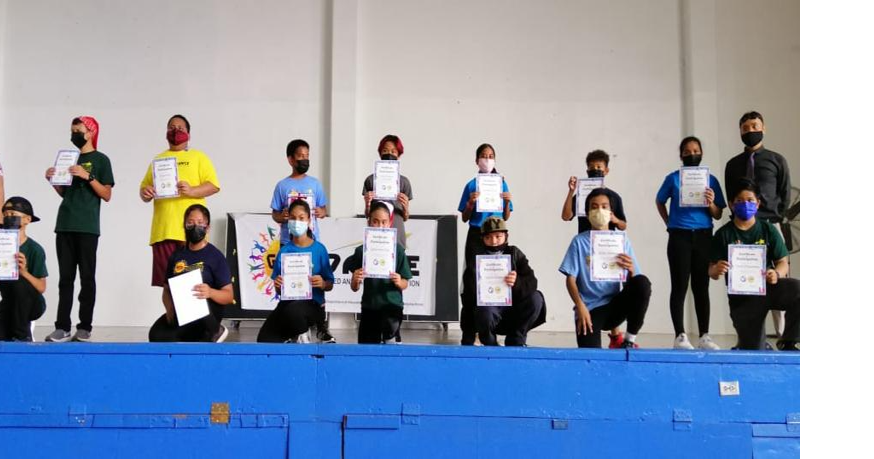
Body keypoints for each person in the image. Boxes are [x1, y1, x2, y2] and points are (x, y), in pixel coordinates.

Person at [44, 116, 114, 342]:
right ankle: (62, 326)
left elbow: (106, 194)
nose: (74, 134)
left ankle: (84, 326)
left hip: (87, 227)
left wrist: (88, 176)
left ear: (91, 132)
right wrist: (54, 181)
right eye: (72, 130)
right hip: (65, 224)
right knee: (65, 279)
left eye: (78, 130)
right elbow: (66, 193)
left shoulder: (101, 160)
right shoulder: (69, 158)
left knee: (87, 277)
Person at [709, 180, 800, 351]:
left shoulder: (768, 230)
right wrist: (717, 269)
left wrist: (776, 274)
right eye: (740, 201)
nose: (745, 204)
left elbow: (782, 262)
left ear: (758, 204)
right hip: (742, 298)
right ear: (731, 204)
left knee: (797, 289)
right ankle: (755, 344)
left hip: (769, 288)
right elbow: (711, 270)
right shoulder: (723, 234)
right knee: (753, 349)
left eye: (750, 200)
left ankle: (788, 341)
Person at [655, 136, 726, 350]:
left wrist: (711, 202)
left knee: (701, 286)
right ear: (681, 155)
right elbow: (659, 200)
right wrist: (669, 222)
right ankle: (680, 335)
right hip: (679, 236)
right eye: (687, 151)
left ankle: (704, 336)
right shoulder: (673, 178)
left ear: (701, 153)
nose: (692, 154)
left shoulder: (710, 180)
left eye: (696, 150)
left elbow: (718, 213)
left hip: (704, 236)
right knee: (679, 286)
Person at [559, 189, 651, 349]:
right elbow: (570, 279)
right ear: (587, 213)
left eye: (604, 206)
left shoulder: (621, 241)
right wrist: (580, 306)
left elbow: (632, 285)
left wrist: (630, 271)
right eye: (594, 207)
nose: (599, 210)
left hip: (615, 305)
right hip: (590, 309)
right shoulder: (579, 242)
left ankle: (629, 340)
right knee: (590, 356)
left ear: (611, 212)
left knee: (642, 283)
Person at [139, 114, 220, 289]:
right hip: (163, 230)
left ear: (188, 134)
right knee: (167, 285)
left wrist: (192, 190)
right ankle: (171, 309)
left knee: (193, 283)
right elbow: (144, 190)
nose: (175, 131)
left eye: (180, 128)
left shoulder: (199, 157)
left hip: (191, 230)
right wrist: (146, 192)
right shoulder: (158, 160)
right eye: (171, 128)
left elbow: (213, 186)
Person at [148, 205, 233, 342]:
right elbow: (167, 290)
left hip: (206, 312)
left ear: (207, 227)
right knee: (156, 335)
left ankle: (215, 330)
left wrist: (210, 292)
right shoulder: (176, 256)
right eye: (190, 223)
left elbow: (228, 296)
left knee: (194, 297)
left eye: (200, 223)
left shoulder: (215, 256)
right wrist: (170, 309)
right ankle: (194, 336)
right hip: (183, 311)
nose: (195, 227)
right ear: (184, 226)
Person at [259, 199, 334, 343]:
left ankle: (305, 338)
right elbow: (280, 291)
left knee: (294, 310)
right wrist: (278, 286)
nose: (296, 222)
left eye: (301, 218)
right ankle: (294, 335)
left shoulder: (319, 249)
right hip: (288, 303)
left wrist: (323, 284)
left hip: (313, 304)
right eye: (293, 218)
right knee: (265, 339)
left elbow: (329, 284)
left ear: (309, 220)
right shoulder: (284, 251)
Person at [462, 216, 545, 346]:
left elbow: (532, 282)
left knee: (536, 298)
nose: (493, 241)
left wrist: (517, 282)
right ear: (482, 239)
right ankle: (490, 343)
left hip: (513, 310)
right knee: (483, 310)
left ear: (506, 236)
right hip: (488, 313)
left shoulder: (515, 253)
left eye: (498, 236)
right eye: (488, 237)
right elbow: (467, 297)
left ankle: (516, 339)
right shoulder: (477, 259)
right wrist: (478, 286)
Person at [346, 201, 412, 344]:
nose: (380, 226)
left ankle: (392, 337)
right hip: (370, 306)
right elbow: (354, 287)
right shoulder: (361, 251)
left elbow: (405, 282)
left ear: (390, 223)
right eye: (375, 221)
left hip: (392, 306)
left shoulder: (398, 251)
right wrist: (355, 280)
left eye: (384, 222)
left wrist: (399, 281)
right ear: (369, 222)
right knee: (367, 347)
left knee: (390, 342)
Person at [0, 197, 48, 342]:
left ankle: (22, 335)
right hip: (8, 302)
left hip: (32, 303)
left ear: (27, 219)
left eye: (13, 214)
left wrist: (24, 272)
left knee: (20, 283)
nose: (9, 218)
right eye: (5, 215)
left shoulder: (35, 249)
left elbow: (41, 287)